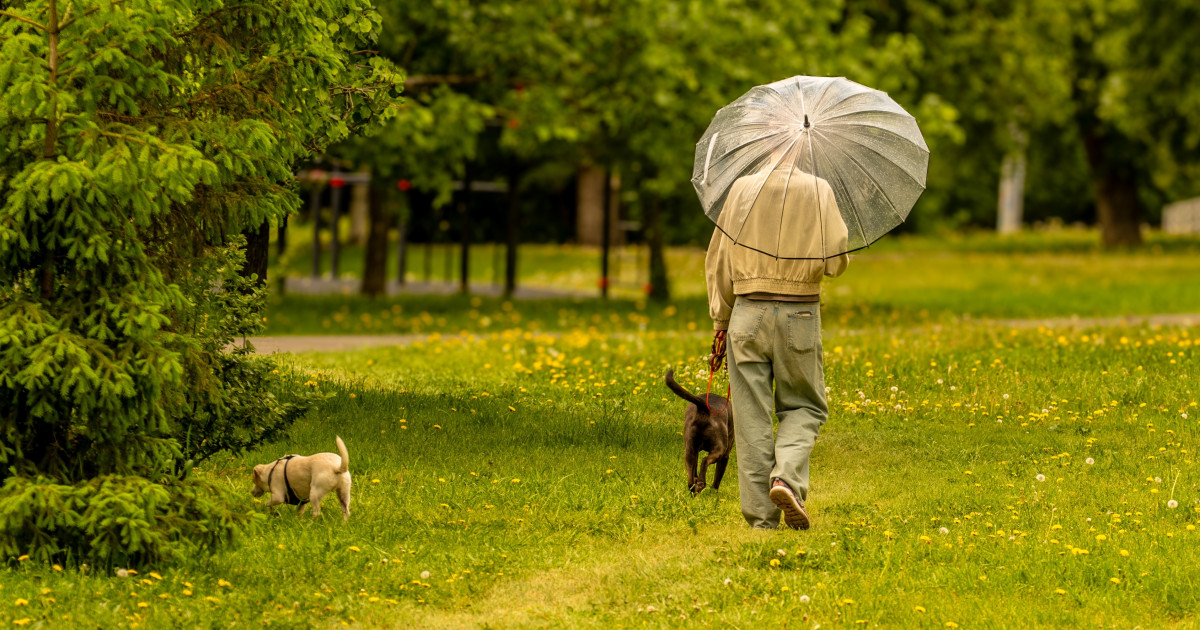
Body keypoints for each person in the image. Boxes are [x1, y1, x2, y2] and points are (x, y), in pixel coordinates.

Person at [705, 159, 849, 530]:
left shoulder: (741, 188)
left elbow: (719, 258)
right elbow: (835, 263)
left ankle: (761, 522)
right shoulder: (818, 188)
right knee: (805, 406)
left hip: (747, 314)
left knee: (751, 418)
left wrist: (721, 321)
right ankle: (785, 478)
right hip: (800, 313)